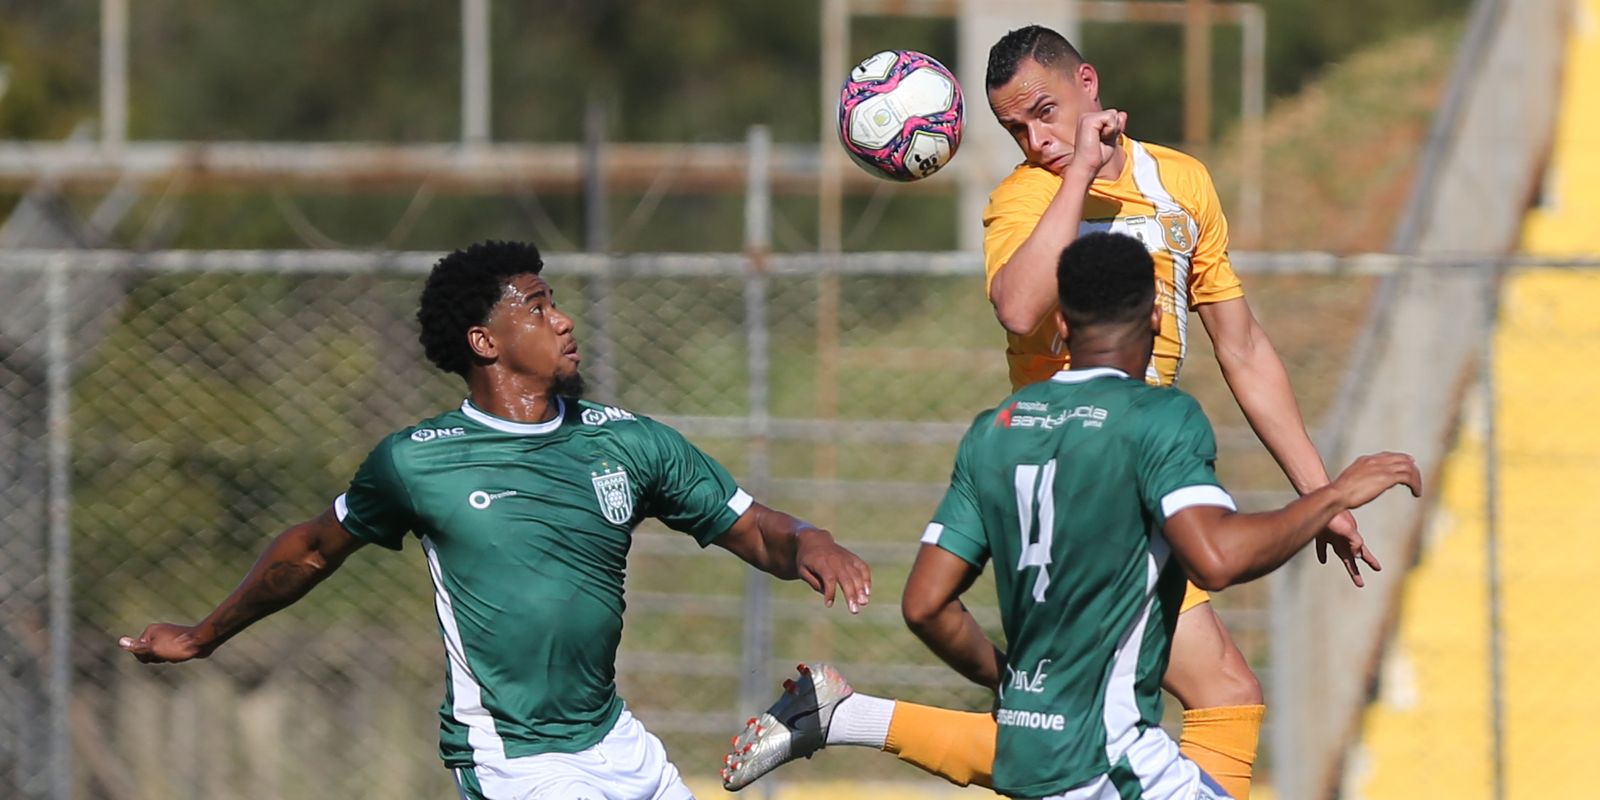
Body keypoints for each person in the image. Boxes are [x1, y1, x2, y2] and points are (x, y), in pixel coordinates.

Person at [721, 27, 1378, 799]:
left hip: (1143, 482)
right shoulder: (1026, 197)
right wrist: (1078, 178)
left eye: (1045, 113)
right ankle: (845, 716)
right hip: (1071, 482)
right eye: (1015, 130)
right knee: (1147, 712)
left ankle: (843, 714)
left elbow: (1243, 348)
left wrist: (1317, 490)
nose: (1037, 140)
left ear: (1088, 84)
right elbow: (1018, 304)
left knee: (1190, 702)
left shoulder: (1182, 183)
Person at [117, 240, 873, 800]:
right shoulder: (419, 460)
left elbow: (751, 525)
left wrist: (813, 540)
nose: (564, 318)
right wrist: (205, 634)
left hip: (616, 742)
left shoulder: (628, 441)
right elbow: (313, 548)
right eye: (538, 308)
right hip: (514, 758)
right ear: (484, 342)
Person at [728, 234, 1419, 799]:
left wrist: (1011, 683)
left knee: (1230, 693)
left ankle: (847, 717)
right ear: (1155, 318)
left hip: (1034, 763)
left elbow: (926, 605)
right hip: (1115, 769)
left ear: (1061, 326)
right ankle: (846, 717)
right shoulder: (1157, 417)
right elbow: (1217, 556)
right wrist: (1332, 494)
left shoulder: (996, 429)